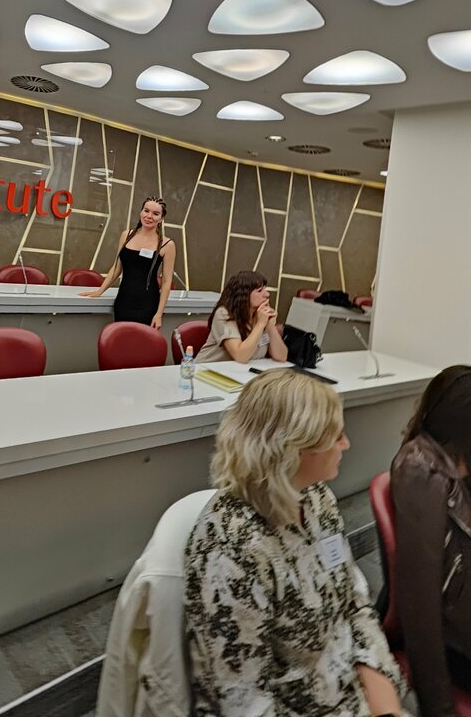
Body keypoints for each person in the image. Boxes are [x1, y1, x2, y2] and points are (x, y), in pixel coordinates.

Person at [185, 369, 406, 717]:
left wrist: (384, 700)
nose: (346, 444)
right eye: (336, 436)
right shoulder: (230, 549)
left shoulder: (317, 500)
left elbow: (353, 603)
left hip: (349, 687)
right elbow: (244, 701)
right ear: (295, 451)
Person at [391, 365, 471, 716]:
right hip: (457, 642)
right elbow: (418, 603)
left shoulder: (459, 459)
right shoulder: (422, 471)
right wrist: (439, 708)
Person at [80, 196, 175, 329]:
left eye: (155, 213)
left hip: (147, 304)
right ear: (141, 212)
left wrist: (159, 314)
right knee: (120, 338)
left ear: (161, 219)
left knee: (141, 340)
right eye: (146, 211)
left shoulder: (167, 244)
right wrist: (100, 290)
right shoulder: (127, 235)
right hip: (123, 300)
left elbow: (166, 282)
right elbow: (117, 267)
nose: (149, 216)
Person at [196, 269, 288, 365]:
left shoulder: (261, 316)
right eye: (260, 291)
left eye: (265, 289)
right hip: (207, 370)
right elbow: (241, 356)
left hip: (242, 372)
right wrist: (260, 325)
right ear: (244, 295)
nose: (267, 294)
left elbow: (281, 357)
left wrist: (270, 326)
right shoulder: (224, 314)